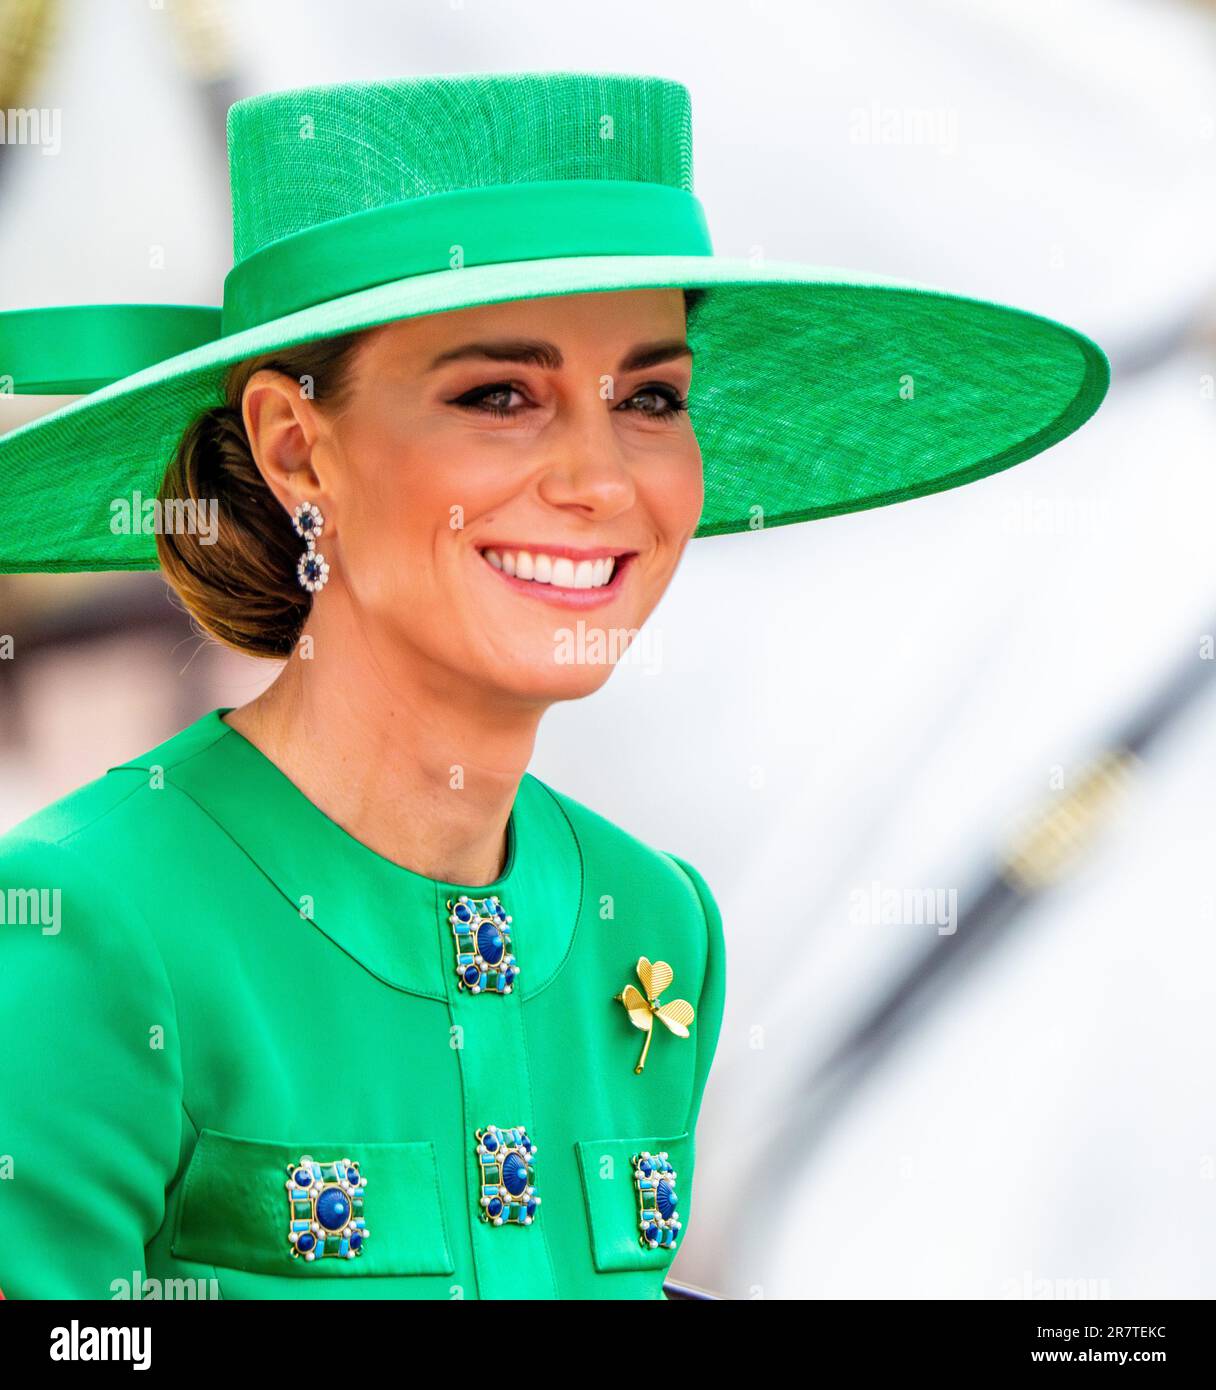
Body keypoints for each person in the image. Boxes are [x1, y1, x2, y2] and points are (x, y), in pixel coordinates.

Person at [0, 71, 1109, 1299]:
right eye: (498, 396)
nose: (599, 480)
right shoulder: (85, 919)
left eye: (649, 398)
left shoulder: (653, 922)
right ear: (296, 447)